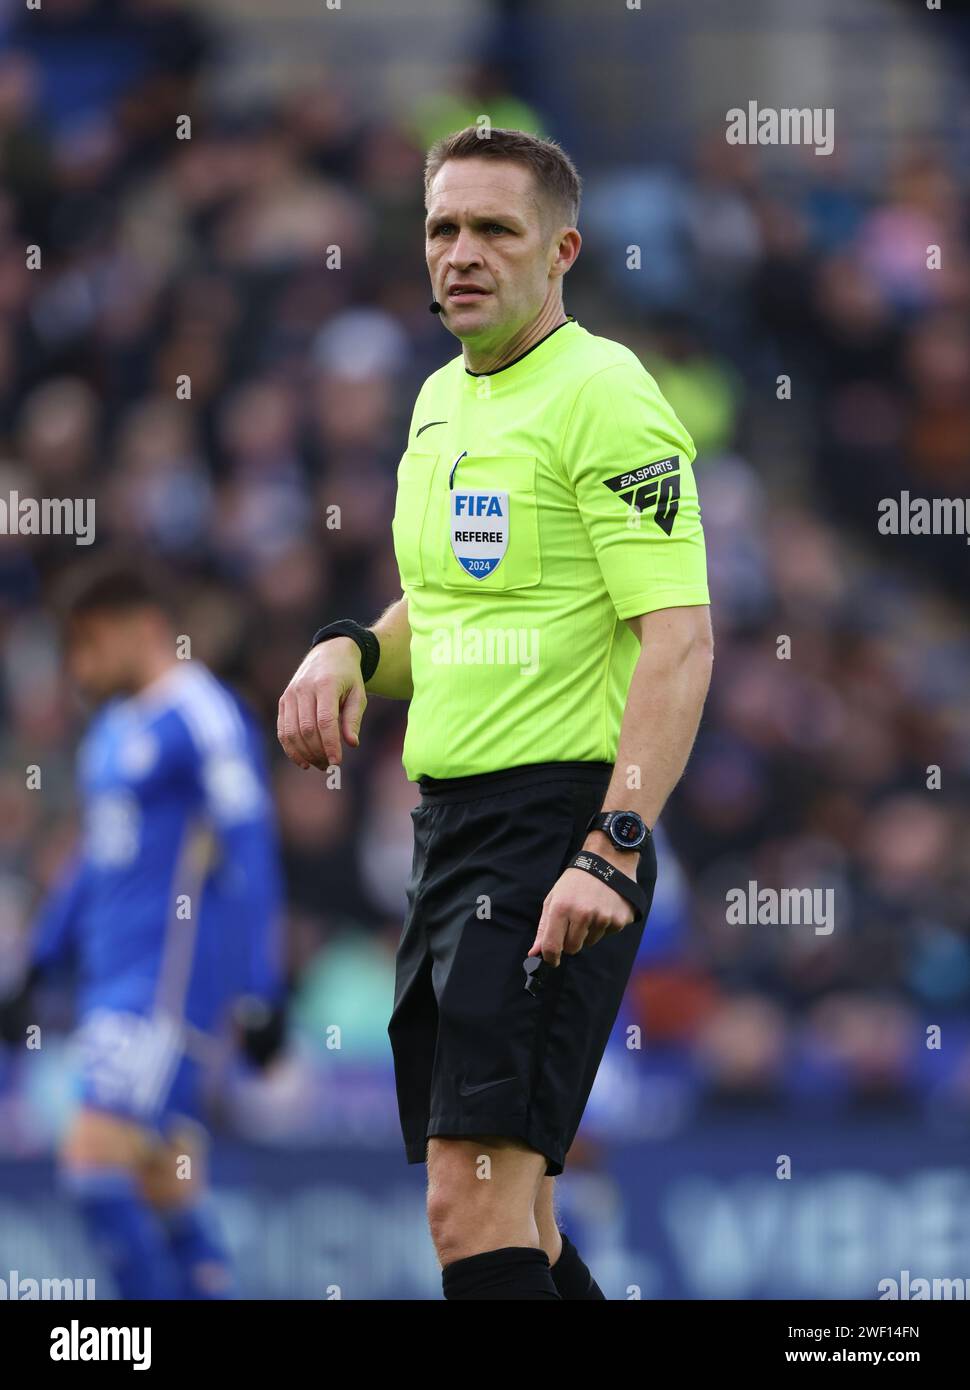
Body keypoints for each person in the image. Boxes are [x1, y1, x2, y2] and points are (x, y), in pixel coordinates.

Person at [278, 126, 713, 1301]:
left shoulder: (605, 395)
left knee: (468, 1211)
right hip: (450, 836)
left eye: (493, 230)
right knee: (515, 1216)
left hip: (550, 831)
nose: (460, 253)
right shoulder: (435, 405)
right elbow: (446, 608)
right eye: (441, 228)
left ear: (561, 249)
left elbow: (678, 639)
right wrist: (355, 648)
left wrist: (613, 843)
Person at [1, 557, 285, 1299]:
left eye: (86, 644)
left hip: (166, 989)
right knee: (166, 1190)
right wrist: (38, 962)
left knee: (94, 1159)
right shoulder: (112, 734)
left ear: (137, 631)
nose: (77, 666)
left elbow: (248, 847)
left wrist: (261, 987)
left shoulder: (203, 714)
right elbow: (96, 859)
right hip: (110, 982)